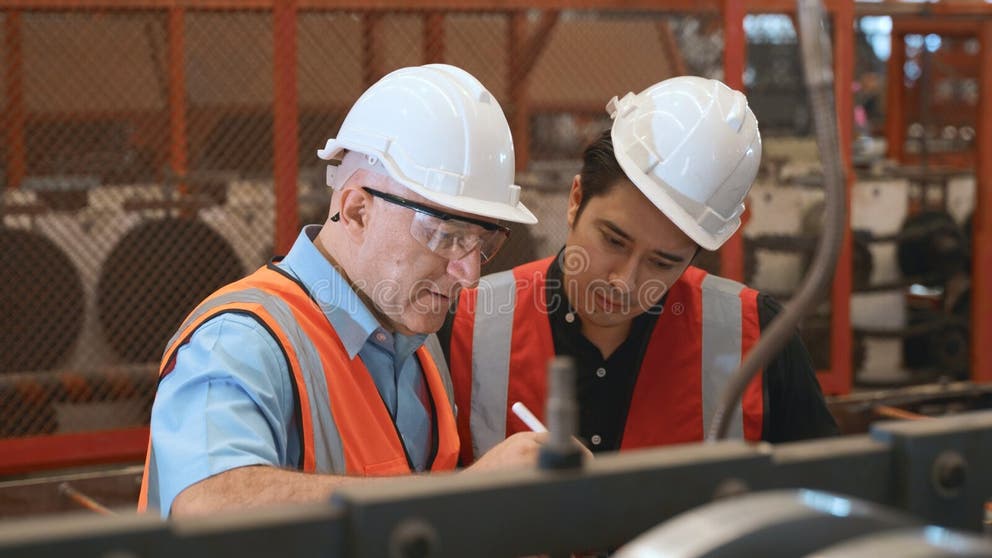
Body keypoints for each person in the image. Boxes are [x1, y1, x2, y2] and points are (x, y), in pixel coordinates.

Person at [139, 64, 547, 517]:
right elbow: (207, 505)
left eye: (482, 243)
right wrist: (464, 494)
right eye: (445, 235)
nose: (468, 273)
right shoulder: (238, 342)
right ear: (356, 211)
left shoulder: (417, 346)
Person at [441, 76, 838, 463]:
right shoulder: (463, 326)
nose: (624, 282)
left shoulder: (758, 338)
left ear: (695, 255)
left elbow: (826, 499)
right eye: (614, 241)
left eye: (662, 262)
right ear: (576, 200)